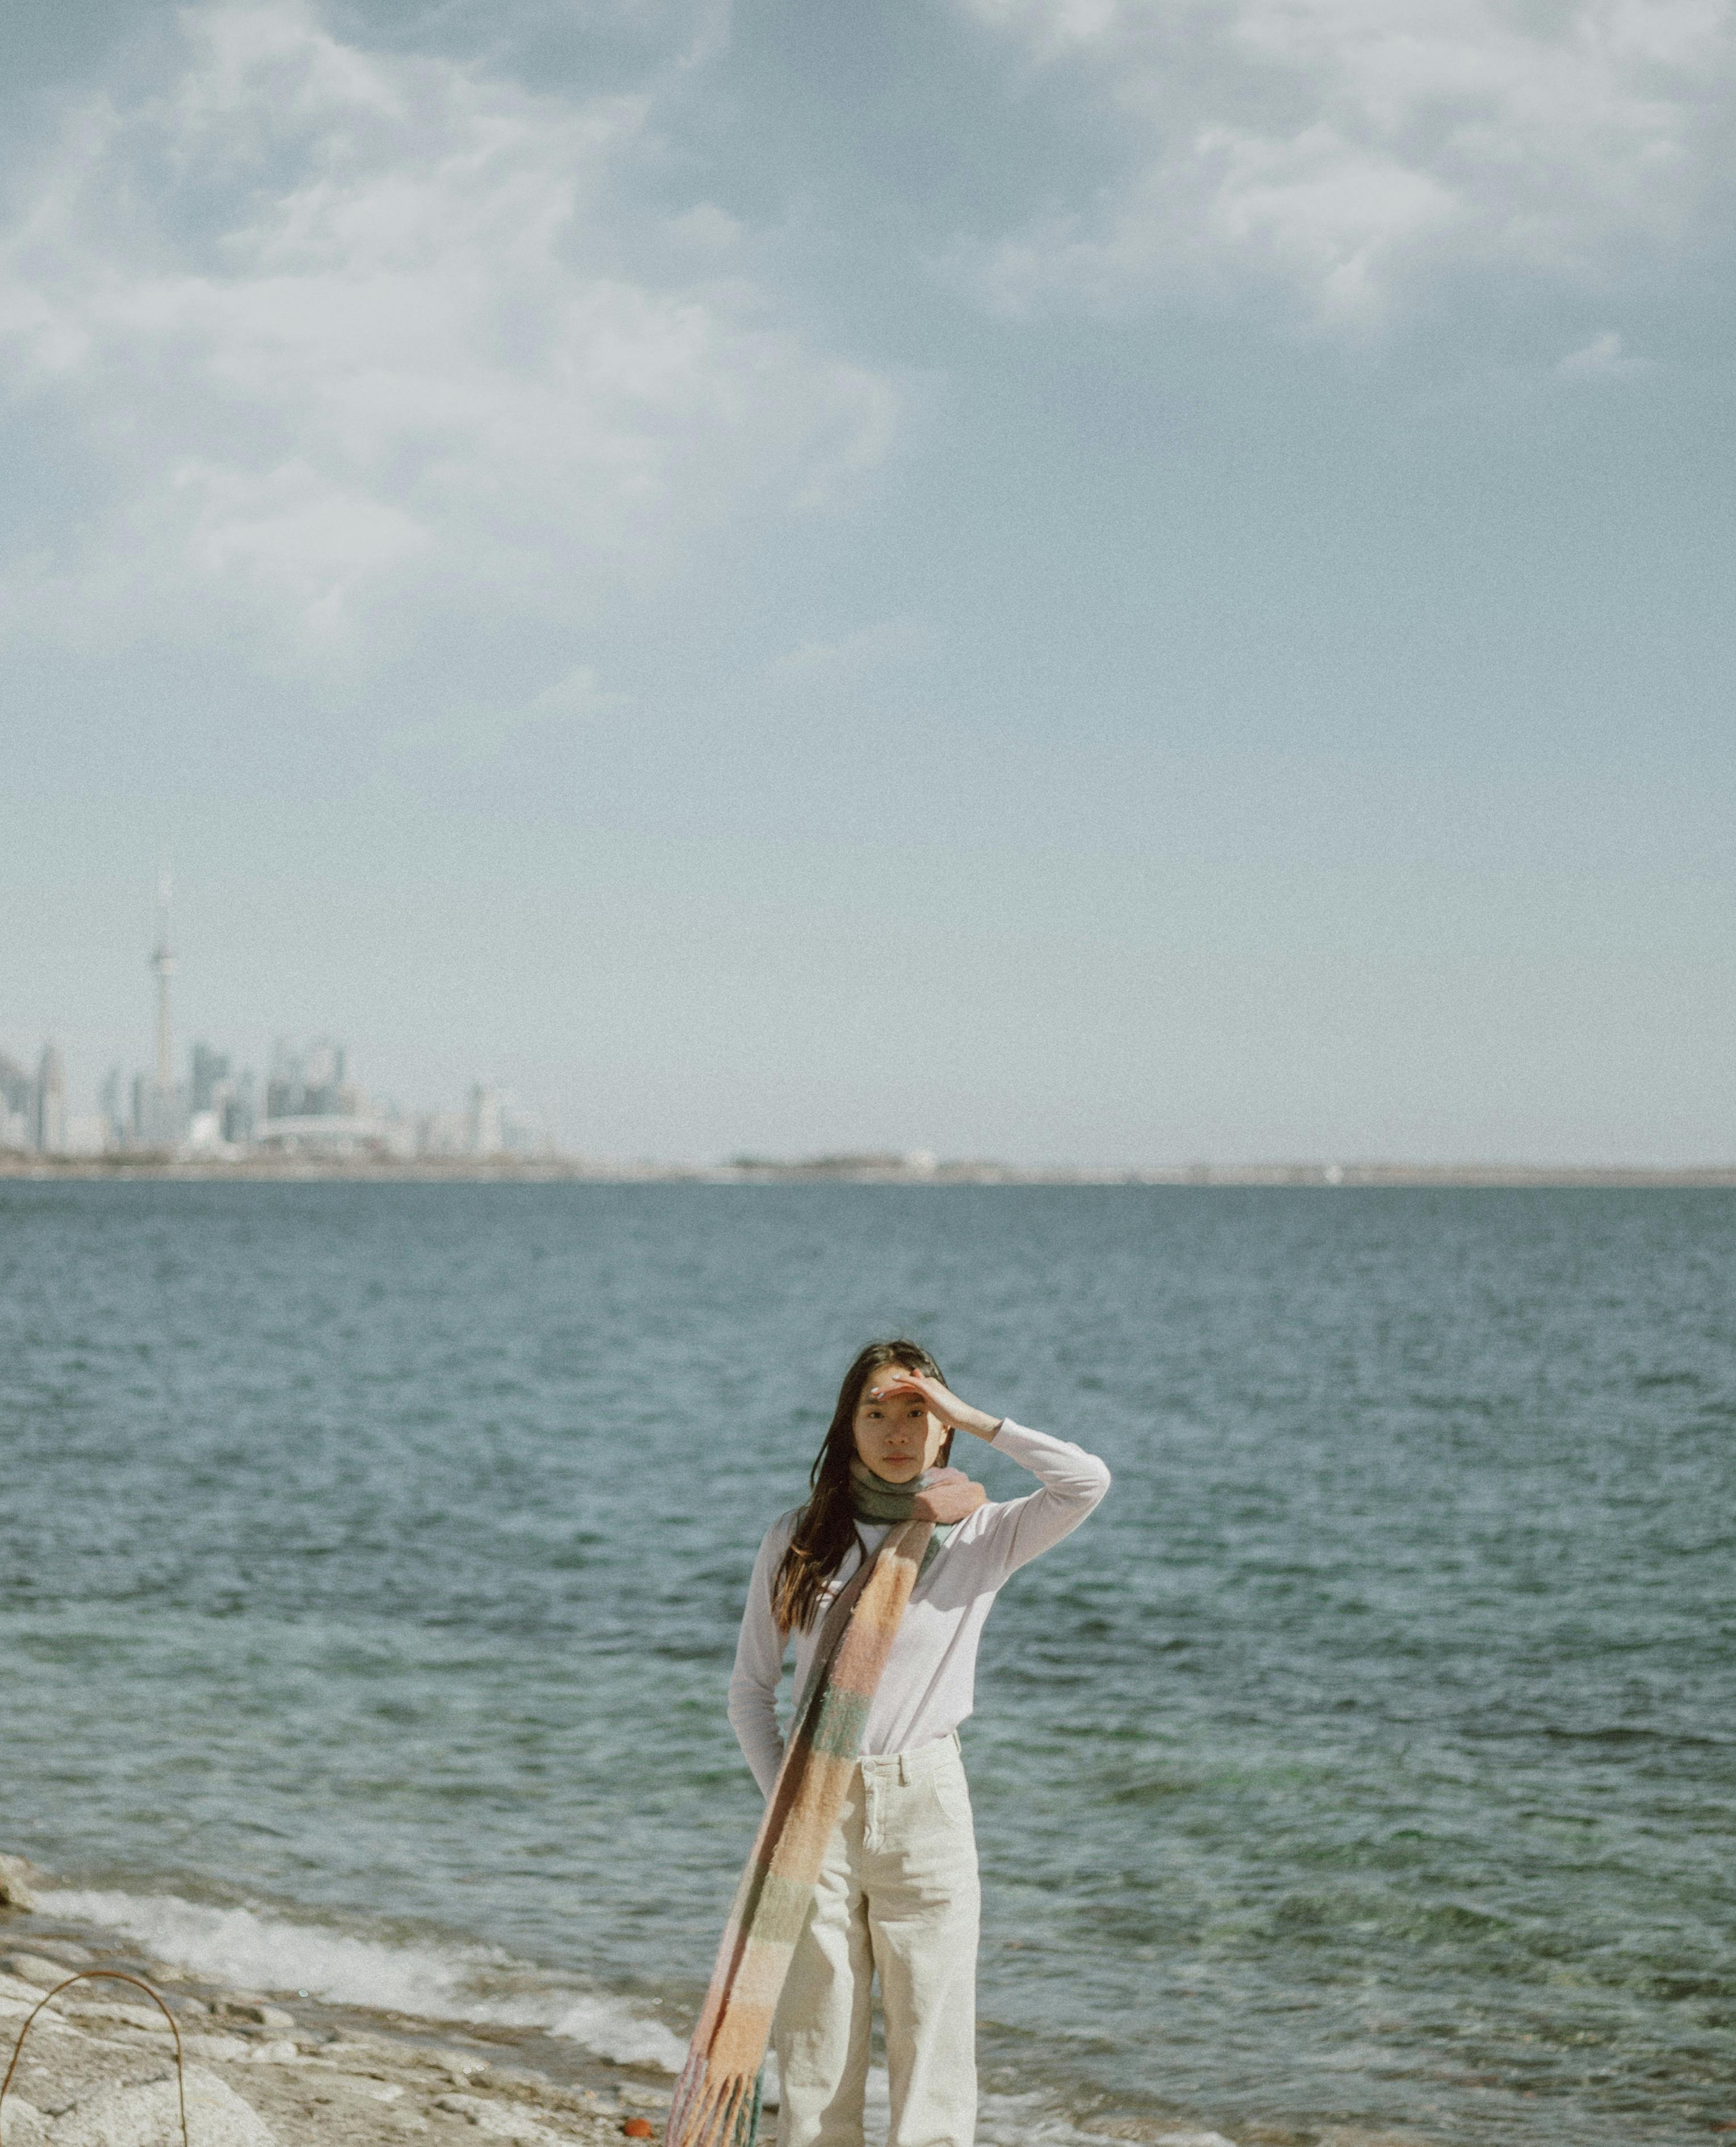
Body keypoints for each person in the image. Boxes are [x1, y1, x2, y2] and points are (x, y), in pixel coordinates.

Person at [726, 1338, 1112, 2147]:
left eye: (917, 1413)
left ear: (943, 1432)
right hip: (811, 1805)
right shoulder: (799, 1537)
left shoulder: (984, 1537)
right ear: (847, 1427)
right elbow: (750, 1693)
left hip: (925, 1803)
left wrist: (972, 1414)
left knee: (932, 2037)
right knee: (815, 2045)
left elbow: (1086, 1480)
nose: (897, 1430)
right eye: (877, 1412)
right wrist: (790, 1801)